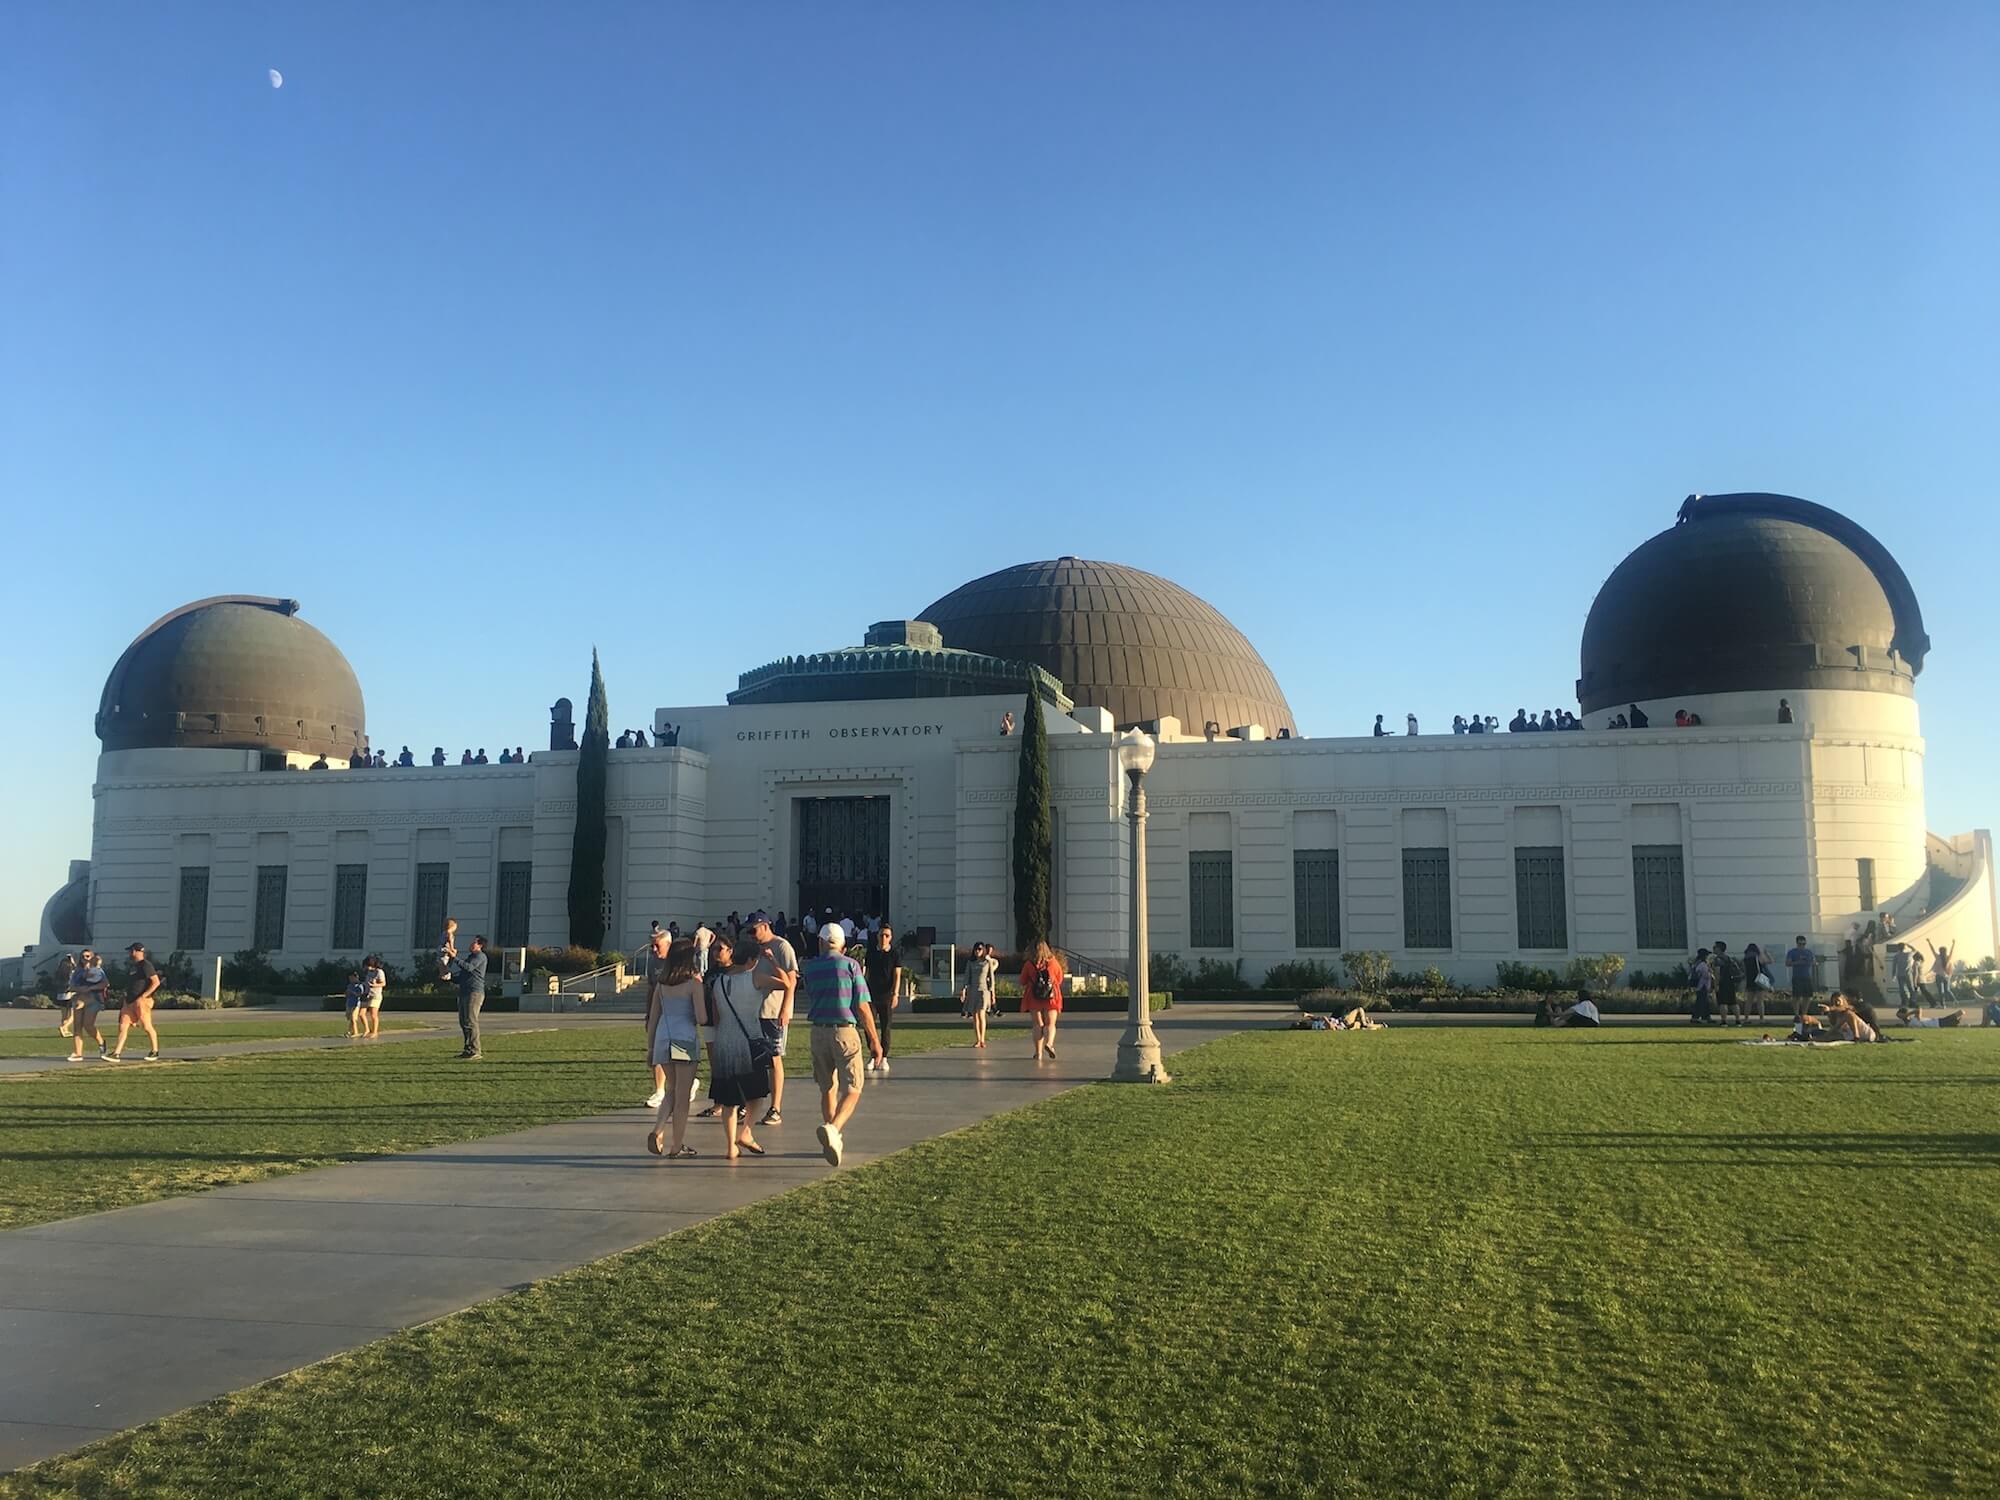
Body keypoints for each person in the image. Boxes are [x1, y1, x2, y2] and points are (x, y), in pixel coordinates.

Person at [798, 925, 882, 1167]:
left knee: (827, 1087)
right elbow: (863, 1007)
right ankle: (833, 1129)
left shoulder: (811, 968)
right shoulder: (850, 966)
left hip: (817, 1032)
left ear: (822, 942)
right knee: (854, 1088)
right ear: (842, 944)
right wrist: (874, 1041)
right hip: (844, 1030)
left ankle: (831, 1140)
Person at [701, 934, 771, 1158]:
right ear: (751, 960)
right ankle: (746, 1131)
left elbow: (716, 1012)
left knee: (728, 1098)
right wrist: (775, 962)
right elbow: (788, 982)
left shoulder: (718, 981)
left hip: (724, 1039)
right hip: (750, 1038)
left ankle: (730, 1146)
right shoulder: (755, 978)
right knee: (757, 1092)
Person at [643, 939, 707, 1158]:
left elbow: (653, 1018)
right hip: (685, 1039)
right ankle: (676, 1145)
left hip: (662, 1037)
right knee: (682, 1096)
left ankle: (658, 1129)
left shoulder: (661, 984)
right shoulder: (693, 983)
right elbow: (701, 1017)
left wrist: (650, 1048)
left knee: (671, 1089)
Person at [744, 911, 798, 1127]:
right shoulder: (754, 950)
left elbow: (791, 981)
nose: (751, 934)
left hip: (774, 1011)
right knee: (755, 1061)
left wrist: (785, 1009)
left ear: (765, 926)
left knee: (774, 1059)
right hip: (755, 1011)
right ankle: (750, 1105)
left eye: (753, 930)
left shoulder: (782, 946)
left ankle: (775, 1107)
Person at [107, 941, 161, 1061]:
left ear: (136, 951)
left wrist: (144, 996)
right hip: (130, 1001)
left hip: (142, 1001)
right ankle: (117, 1053)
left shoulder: (145, 965)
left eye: (131, 951)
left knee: (146, 1026)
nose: (130, 953)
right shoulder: (134, 966)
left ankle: (155, 1050)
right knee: (123, 1026)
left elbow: (156, 982)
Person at [864, 924, 903, 1074]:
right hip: (871, 994)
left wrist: (895, 994)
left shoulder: (894, 954)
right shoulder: (871, 952)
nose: (884, 938)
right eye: (881, 935)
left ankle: (884, 1056)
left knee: (886, 1027)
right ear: (877, 936)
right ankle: (873, 1055)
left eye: (887, 935)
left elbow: (897, 975)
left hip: (886, 995)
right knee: (869, 1026)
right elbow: (866, 973)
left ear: (891, 938)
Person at [1021, 940, 1066, 1060]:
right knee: (1050, 1024)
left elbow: (1022, 981)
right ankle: (1049, 1044)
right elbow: (1060, 979)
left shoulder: (1029, 964)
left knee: (1037, 1024)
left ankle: (1038, 1053)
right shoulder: (1053, 963)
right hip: (1051, 997)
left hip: (1033, 997)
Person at [445, 936, 488, 1058]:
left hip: (474, 992)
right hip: (464, 992)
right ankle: (468, 1049)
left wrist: (455, 957)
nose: (471, 944)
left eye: (474, 942)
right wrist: (450, 977)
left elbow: (468, 967)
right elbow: (462, 977)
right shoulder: (470, 958)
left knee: (471, 1021)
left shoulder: (480, 957)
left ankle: (476, 1050)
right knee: (463, 1021)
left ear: (480, 945)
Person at [65, 949, 110, 1060]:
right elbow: (71, 986)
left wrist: (90, 988)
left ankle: (101, 1042)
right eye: (83, 956)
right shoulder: (78, 971)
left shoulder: (98, 971)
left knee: (88, 1025)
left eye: (88, 956)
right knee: (77, 1026)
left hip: (93, 1000)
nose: (85, 958)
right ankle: (77, 1053)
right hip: (79, 999)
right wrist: (80, 989)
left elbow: (105, 984)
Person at [959, 940, 994, 1047]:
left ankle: (983, 1039)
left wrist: (993, 994)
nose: (977, 951)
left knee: (981, 1014)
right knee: (975, 1016)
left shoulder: (987, 963)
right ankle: (978, 1039)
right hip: (973, 990)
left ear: (983, 950)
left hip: (984, 991)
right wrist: (963, 990)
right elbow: (966, 977)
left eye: (979, 949)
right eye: (975, 949)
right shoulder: (970, 963)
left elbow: (991, 979)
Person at [1784, 935, 1819, 1020]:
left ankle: (1804, 1014)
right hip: (1797, 976)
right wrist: (1798, 962)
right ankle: (1796, 1014)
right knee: (1796, 996)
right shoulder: (1792, 952)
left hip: (1807, 976)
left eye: (1804, 944)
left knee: (1807, 996)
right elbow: (1787, 963)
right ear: (1797, 943)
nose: (1802, 946)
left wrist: (1812, 962)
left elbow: (1814, 962)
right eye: (1800, 944)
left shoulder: (1809, 952)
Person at [1711, 940, 1741, 1026]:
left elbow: (1717, 972)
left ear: (1719, 949)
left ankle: (1724, 1021)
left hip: (1722, 983)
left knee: (1723, 1003)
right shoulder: (1728, 958)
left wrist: (1716, 984)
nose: (1713, 949)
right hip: (1730, 982)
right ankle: (1738, 1020)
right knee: (1733, 1002)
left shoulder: (1717, 959)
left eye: (1714, 947)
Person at [1742, 942, 1771, 1023]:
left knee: (1749, 1001)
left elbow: (1744, 971)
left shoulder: (1745, 958)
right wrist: (1766, 954)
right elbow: (1770, 961)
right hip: (1759, 980)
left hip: (1750, 980)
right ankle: (1761, 1018)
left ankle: (1746, 1018)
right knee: (1760, 1001)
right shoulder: (1758, 957)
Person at [360, 954, 387, 1037]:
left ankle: (374, 1032)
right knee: (361, 1013)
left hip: (375, 995)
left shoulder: (379, 972)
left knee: (373, 1014)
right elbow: (366, 982)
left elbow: (383, 983)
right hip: (367, 995)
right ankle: (367, 1029)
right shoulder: (368, 973)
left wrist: (374, 985)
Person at [1688, 947, 1714, 1024]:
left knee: (1705, 1002)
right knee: (1701, 1002)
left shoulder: (1696, 963)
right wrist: (1711, 973)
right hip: (1703, 985)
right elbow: (1706, 975)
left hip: (1700, 985)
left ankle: (1706, 1017)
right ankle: (1695, 1017)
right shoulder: (1702, 964)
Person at [1926, 940, 1957, 1004]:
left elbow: (1932, 950)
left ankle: (1943, 1004)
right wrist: (1953, 944)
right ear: (1946, 951)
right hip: (1946, 977)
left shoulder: (1937, 957)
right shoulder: (1948, 957)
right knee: (1947, 990)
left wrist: (1929, 942)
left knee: (1941, 991)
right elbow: (1952, 951)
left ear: (1939, 951)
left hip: (1939, 976)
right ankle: (1955, 1000)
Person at [343, 970, 367, 1038]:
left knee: (353, 1018)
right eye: (350, 978)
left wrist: (353, 992)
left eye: (352, 978)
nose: (351, 980)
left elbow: (360, 995)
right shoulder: (349, 985)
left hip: (356, 1004)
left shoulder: (359, 986)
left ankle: (355, 1032)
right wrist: (347, 993)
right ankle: (350, 1031)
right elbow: (346, 994)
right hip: (349, 1003)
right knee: (350, 1018)